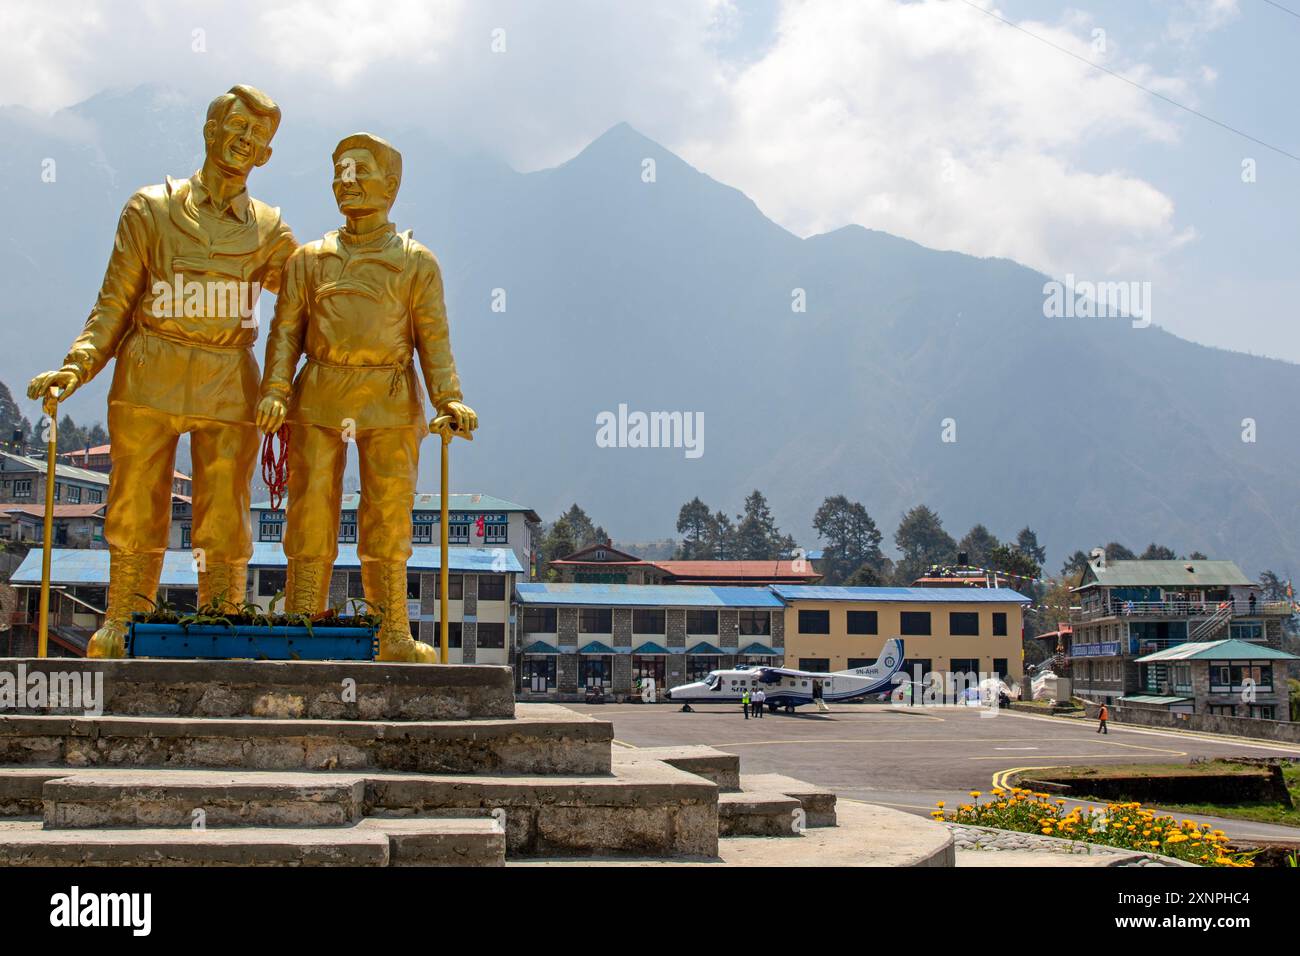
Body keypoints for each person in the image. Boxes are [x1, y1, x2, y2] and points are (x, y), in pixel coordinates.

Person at [28, 85, 297, 657]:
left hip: (229, 380)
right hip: (149, 370)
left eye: (258, 138)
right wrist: (75, 369)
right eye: (237, 128)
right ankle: (124, 619)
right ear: (209, 129)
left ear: (266, 156)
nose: (245, 143)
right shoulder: (150, 208)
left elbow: (303, 304)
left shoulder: (270, 229)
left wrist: (285, 380)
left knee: (224, 510)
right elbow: (112, 305)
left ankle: (220, 621)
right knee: (133, 503)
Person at [258, 132, 476, 662]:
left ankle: (391, 634)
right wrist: (275, 391)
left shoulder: (416, 262)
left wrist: (449, 398)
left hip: (391, 397)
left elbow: (434, 340)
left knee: (389, 518)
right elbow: (284, 333)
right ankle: (300, 620)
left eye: (359, 171)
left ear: (392, 184)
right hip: (320, 394)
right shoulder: (307, 260)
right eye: (339, 173)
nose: (346, 182)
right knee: (309, 511)